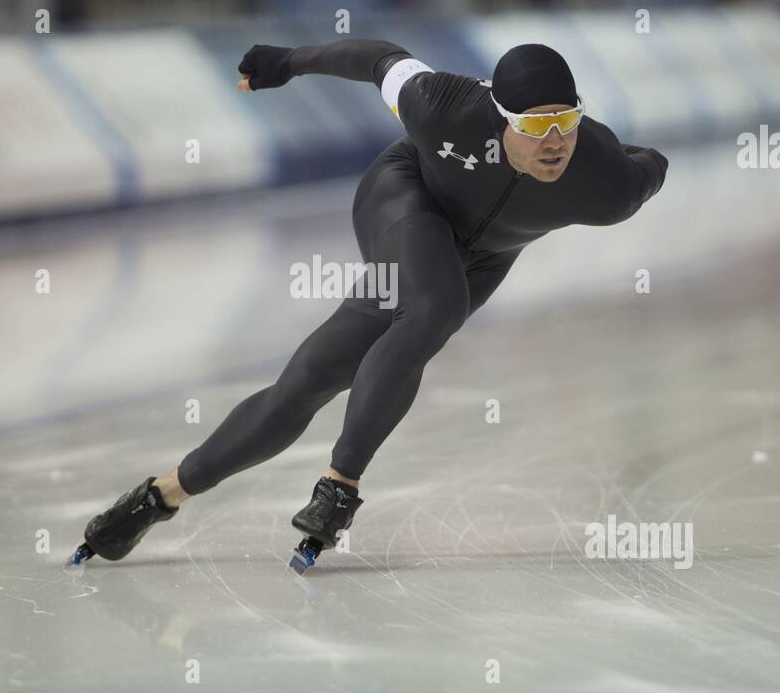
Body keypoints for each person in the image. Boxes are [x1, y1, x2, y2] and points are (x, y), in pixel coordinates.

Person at [70, 39, 668, 569]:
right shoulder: (444, 105)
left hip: (482, 260)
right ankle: (340, 487)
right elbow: (375, 58)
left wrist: (614, 150)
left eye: (565, 121)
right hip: (404, 201)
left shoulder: (606, 186)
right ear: (498, 115)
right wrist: (288, 62)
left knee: (310, 380)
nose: (554, 141)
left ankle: (159, 495)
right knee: (433, 309)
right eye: (534, 127)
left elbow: (652, 167)